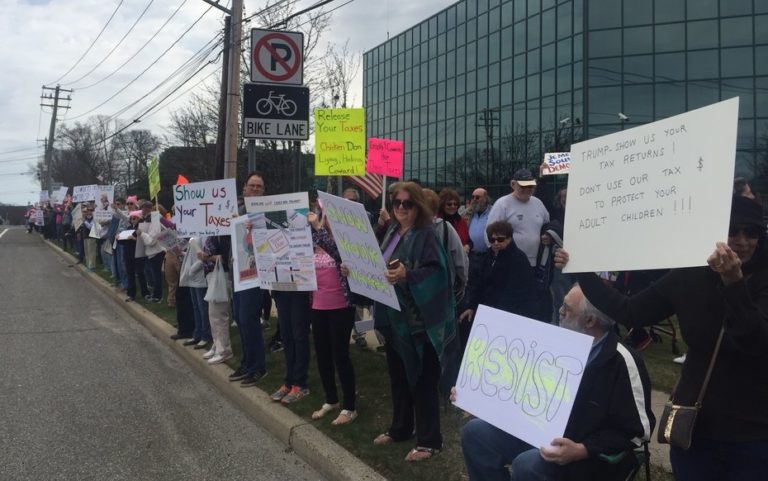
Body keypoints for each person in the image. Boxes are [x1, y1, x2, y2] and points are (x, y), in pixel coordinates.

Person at [554, 195, 768, 480]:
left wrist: (733, 284)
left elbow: (755, 341)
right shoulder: (691, 275)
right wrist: (582, 271)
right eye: (733, 230)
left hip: (753, 432)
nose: (742, 240)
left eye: (751, 232)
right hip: (696, 428)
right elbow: (630, 311)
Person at [456, 284, 655, 481]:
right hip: (539, 433)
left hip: (589, 456)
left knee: (527, 465)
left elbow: (637, 431)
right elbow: (517, 390)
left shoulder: (620, 361)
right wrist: (474, 396)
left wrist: (582, 449)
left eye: (567, 309)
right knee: (475, 433)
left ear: (590, 321)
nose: (559, 311)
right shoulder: (553, 344)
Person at [372, 182, 459, 462]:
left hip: (422, 325)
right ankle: (401, 428)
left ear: (418, 206)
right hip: (396, 320)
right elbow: (380, 264)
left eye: (407, 204)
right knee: (398, 377)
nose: (400, 208)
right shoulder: (393, 234)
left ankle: (430, 441)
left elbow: (438, 273)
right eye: (396, 202)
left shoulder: (427, 235)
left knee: (422, 381)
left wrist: (408, 276)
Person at [308, 211, 358, 425]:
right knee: (322, 354)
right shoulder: (313, 240)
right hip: (318, 305)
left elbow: (336, 253)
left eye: (330, 217)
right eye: (325, 216)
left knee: (340, 355)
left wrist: (318, 228)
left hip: (341, 306)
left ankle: (350, 406)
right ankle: (331, 399)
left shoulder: (343, 242)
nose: (327, 221)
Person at [459, 220, 539, 338]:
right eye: (492, 240)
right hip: (487, 309)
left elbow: (517, 291)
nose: (496, 243)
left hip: (508, 312)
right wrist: (472, 306)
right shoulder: (488, 257)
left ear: (509, 238)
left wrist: (496, 314)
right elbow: (479, 283)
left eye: (500, 239)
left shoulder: (518, 259)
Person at [229, 172, 269, 387]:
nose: (255, 189)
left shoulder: (266, 212)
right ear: (244, 188)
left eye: (259, 187)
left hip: (255, 274)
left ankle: (257, 367)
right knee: (239, 317)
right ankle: (246, 362)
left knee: (249, 318)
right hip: (237, 269)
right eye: (252, 185)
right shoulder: (236, 211)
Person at [486, 168, 550, 266]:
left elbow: (547, 225)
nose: (527, 189)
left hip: (535, 262)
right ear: (513, 184)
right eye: (523, 186)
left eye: (530, 186)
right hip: (508, 262)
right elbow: (489, 232)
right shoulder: (502, 204)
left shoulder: (538, 203)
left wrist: (548, 235)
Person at [198, 235, 232, 365]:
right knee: (213, 314)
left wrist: (207, 257)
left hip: (221, 275)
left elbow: (225, 258)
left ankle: (224, 349)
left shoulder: (223, 235)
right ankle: (217, 344)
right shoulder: (212, 235)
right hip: (212, 275)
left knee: (218, 314)